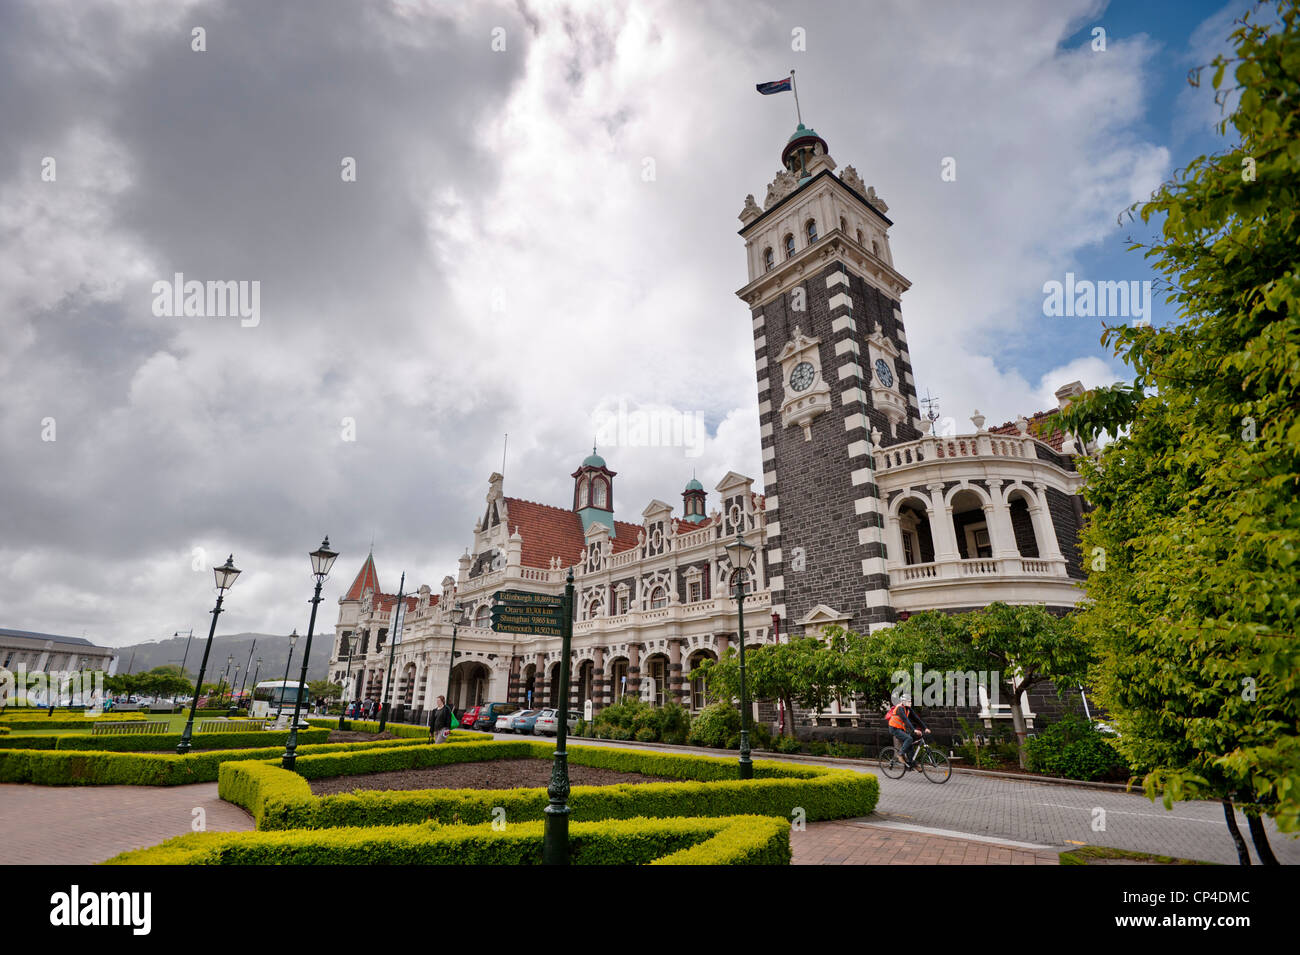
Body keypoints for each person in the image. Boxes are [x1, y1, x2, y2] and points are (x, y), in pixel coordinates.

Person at [886, 694, 930, 768]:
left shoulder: (908, 709)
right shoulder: (900, 708)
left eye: (910, 701)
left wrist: (925, 728)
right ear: (904, 702)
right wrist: (914, 730)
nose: (911, 703)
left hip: (900, 729)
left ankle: (911, 764)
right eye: (909, 701)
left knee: (910, 745)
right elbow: (906, 720)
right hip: (894, 728)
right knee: (909, 739)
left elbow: (916, 719)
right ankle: (900, 754)